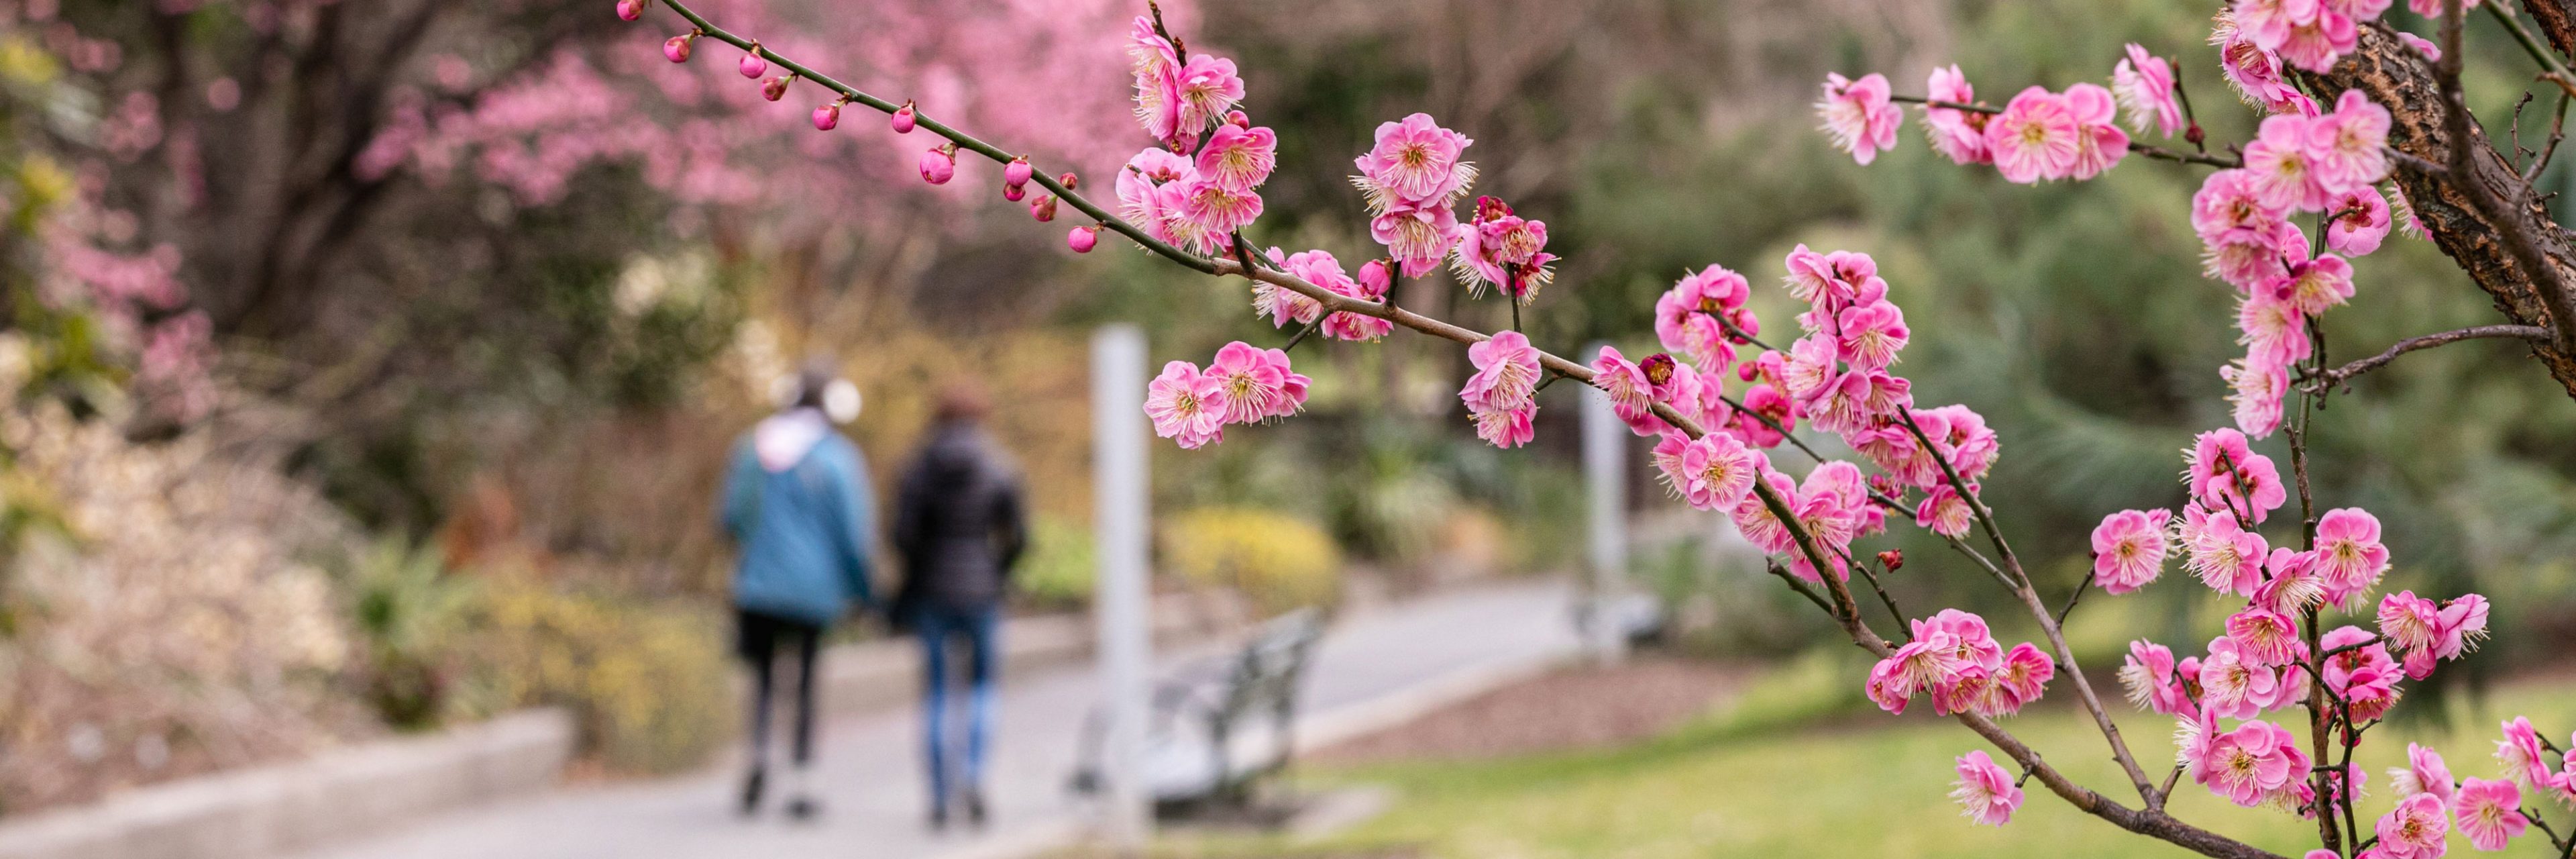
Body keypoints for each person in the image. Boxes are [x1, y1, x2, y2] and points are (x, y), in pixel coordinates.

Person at [718, 362, 877, 821]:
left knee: (763, 681)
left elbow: (730, 517)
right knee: (806, 684)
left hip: (758, 587)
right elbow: (854, 534)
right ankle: (804, 779)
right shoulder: (837, 457)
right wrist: (866, 593)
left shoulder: (753, 448)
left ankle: (758, 759)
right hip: (814, 591)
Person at [890, 383, 1027, 829]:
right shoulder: (999, 467)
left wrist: (917, 572)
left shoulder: (917, 468)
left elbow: (903, 535)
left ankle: (937, 794)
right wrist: (998, 571)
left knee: (935, 693)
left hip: (932, 591)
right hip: (982, 592)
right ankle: (972, 775)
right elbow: (1019, 536)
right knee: (982, 688)